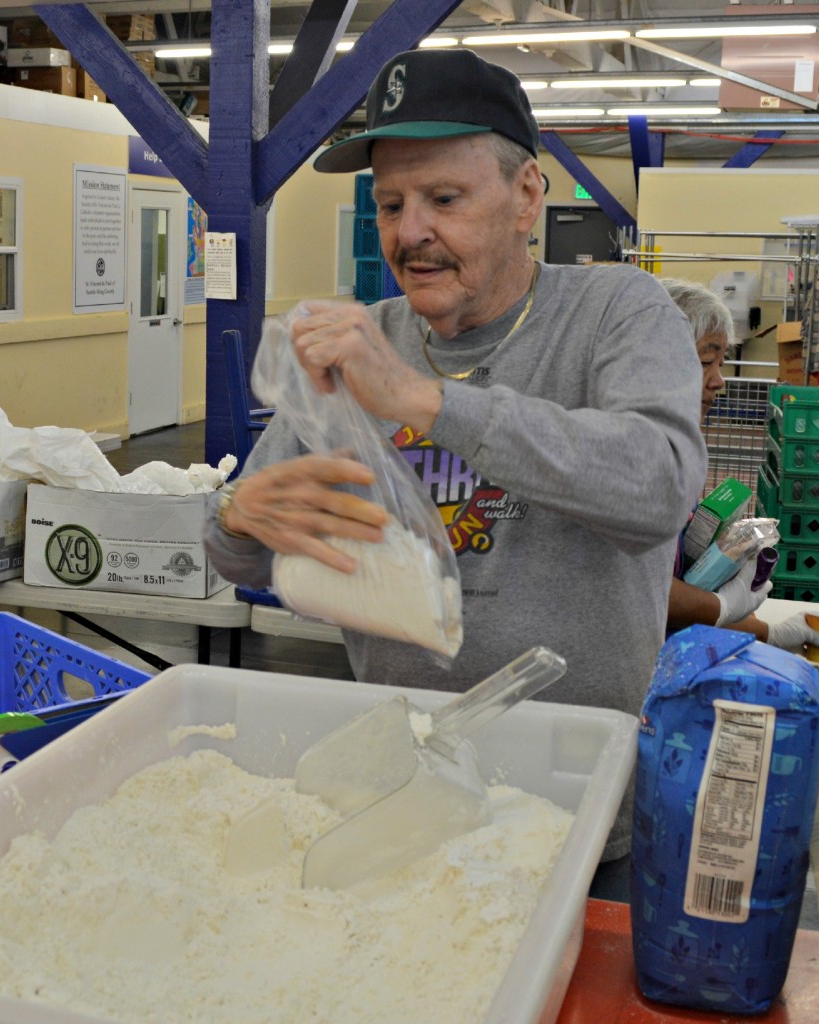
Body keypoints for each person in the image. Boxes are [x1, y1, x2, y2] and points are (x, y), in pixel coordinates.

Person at [204, 48, 707, 860]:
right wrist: (236, 518)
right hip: (401, 797)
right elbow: (243, 554)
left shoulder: (618, 311)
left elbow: (658, 485)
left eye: (444, 199)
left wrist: (426, 401)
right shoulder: (361, 340)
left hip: (574, 807)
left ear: (526, 195)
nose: (411, 233)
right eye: (390, 204)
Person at [660, 278, 819, 654]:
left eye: (720, 364)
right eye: (706, 362)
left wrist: (770, 633)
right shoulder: (627, 463)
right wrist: (722, 606)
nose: (718, 381)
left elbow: (678, 592)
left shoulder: (677, 454)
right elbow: (645, 590)